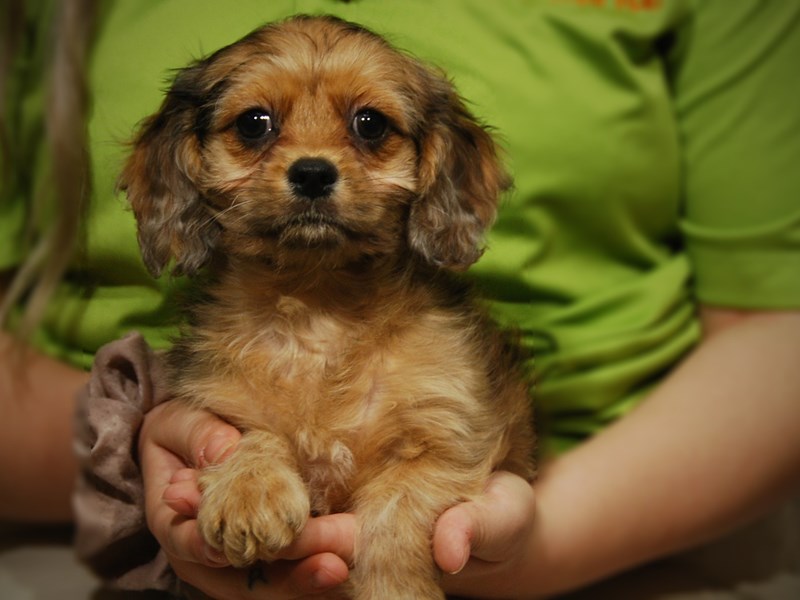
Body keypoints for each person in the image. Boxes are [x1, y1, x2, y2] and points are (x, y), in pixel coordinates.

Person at [2, 0, 799, 598]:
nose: (313, 162)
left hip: (639, 543)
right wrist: (179, 447)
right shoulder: (215, 367)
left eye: (369, 127)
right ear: (184, 159)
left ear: (437, 163)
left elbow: (778, 334)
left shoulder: (439, 368)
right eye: (255, 127)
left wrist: (533, 550)